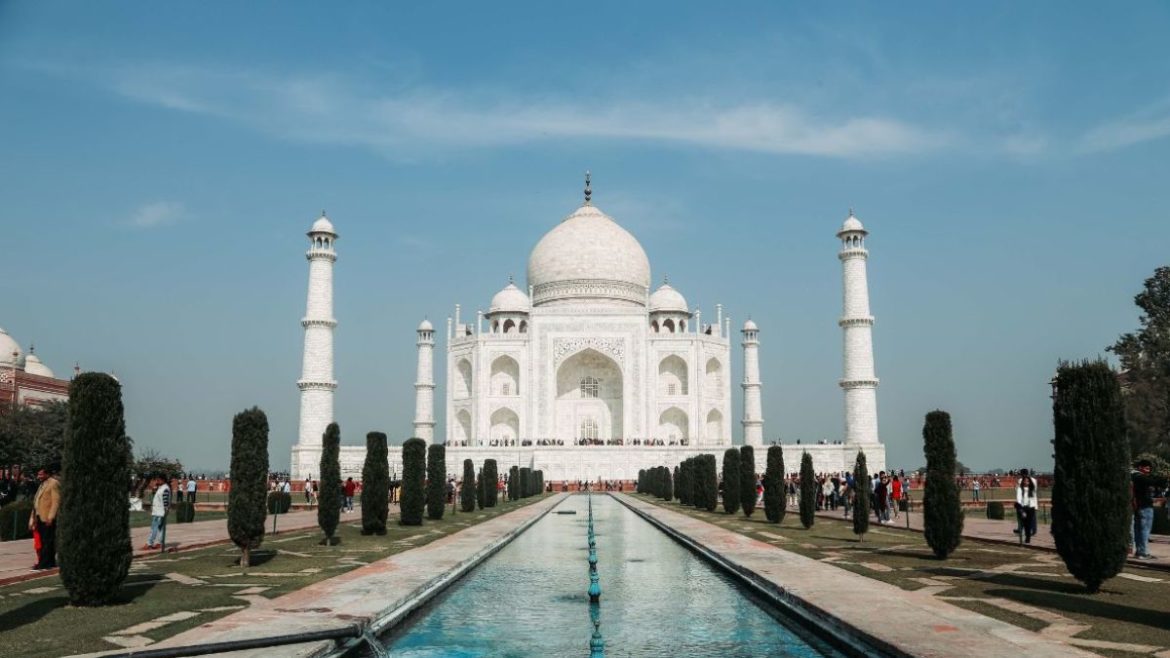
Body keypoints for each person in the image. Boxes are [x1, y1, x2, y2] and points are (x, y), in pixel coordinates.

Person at [1132, 459, 1168, 560]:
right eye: (1146, 468)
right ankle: (1143, 552)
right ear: (1140, 467)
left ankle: (1140, 551)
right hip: (1145, 506)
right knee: (1145, 531)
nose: (1148, 470)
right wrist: (1165, 478)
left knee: (1139, 530)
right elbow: (1155, 482)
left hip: (1139, 507)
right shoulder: (1140, 478)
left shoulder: (1134, 476)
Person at [29, 464, 61, 570]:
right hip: (39, 516)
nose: (39, 476)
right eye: (38, 474)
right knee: (44, 540)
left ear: (47, 474)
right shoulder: (42, 484)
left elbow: (55, 501)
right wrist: (33, 518)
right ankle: (50, 562)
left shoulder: (53, 483)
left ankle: (43, 563)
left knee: (47, 541)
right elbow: (37, 501)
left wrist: (51, 517)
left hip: (47, 517)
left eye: (41, 474)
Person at [145, 475, 171, 550]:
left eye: (158, 480)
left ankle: (150, 543)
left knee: (154, 528)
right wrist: (154, 490)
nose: (157, 482)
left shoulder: (165, 488)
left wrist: (166, 510)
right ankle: (160, 543)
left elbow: (166, 501)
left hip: (160, 512)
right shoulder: (161, 488)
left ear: (163, 480)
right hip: (158, 511)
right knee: (160, 528)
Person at [1015, 469, 1038, 544]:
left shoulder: (1032, 488)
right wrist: (1020, 509)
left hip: (1031, 506)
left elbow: (1034, 496)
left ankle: (1029, 536)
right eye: (1025, 481)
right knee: (1026, 523)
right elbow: (1018, 498)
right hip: (1023, 507)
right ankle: (1029, 533)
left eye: (1028, 481)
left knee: (1030, 522)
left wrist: (1035, 505)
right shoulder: (1020, 488)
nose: (1026, 482)